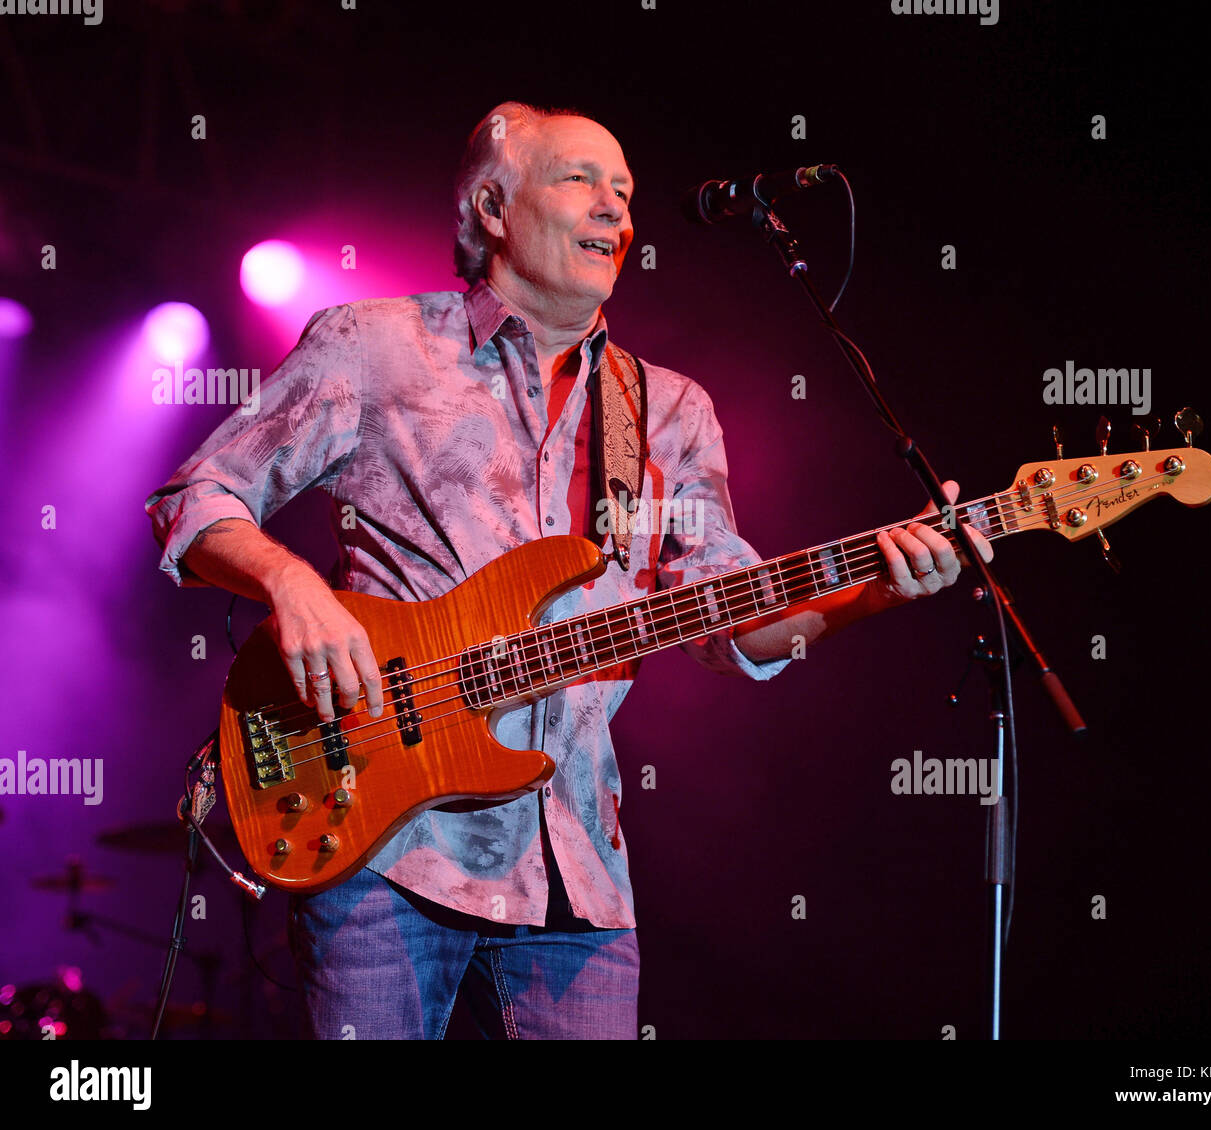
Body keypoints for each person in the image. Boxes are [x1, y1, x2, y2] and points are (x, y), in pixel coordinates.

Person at [145, 101, 993, 1040]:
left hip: (577, 869)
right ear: (494, 209)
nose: (615, 212)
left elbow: (732, 624)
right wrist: (294, 586)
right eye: (581, 181)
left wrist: (875, 586)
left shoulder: (666, 409)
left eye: (625, 192)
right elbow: (196, 499)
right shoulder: (374, 345)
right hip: (385, 840)